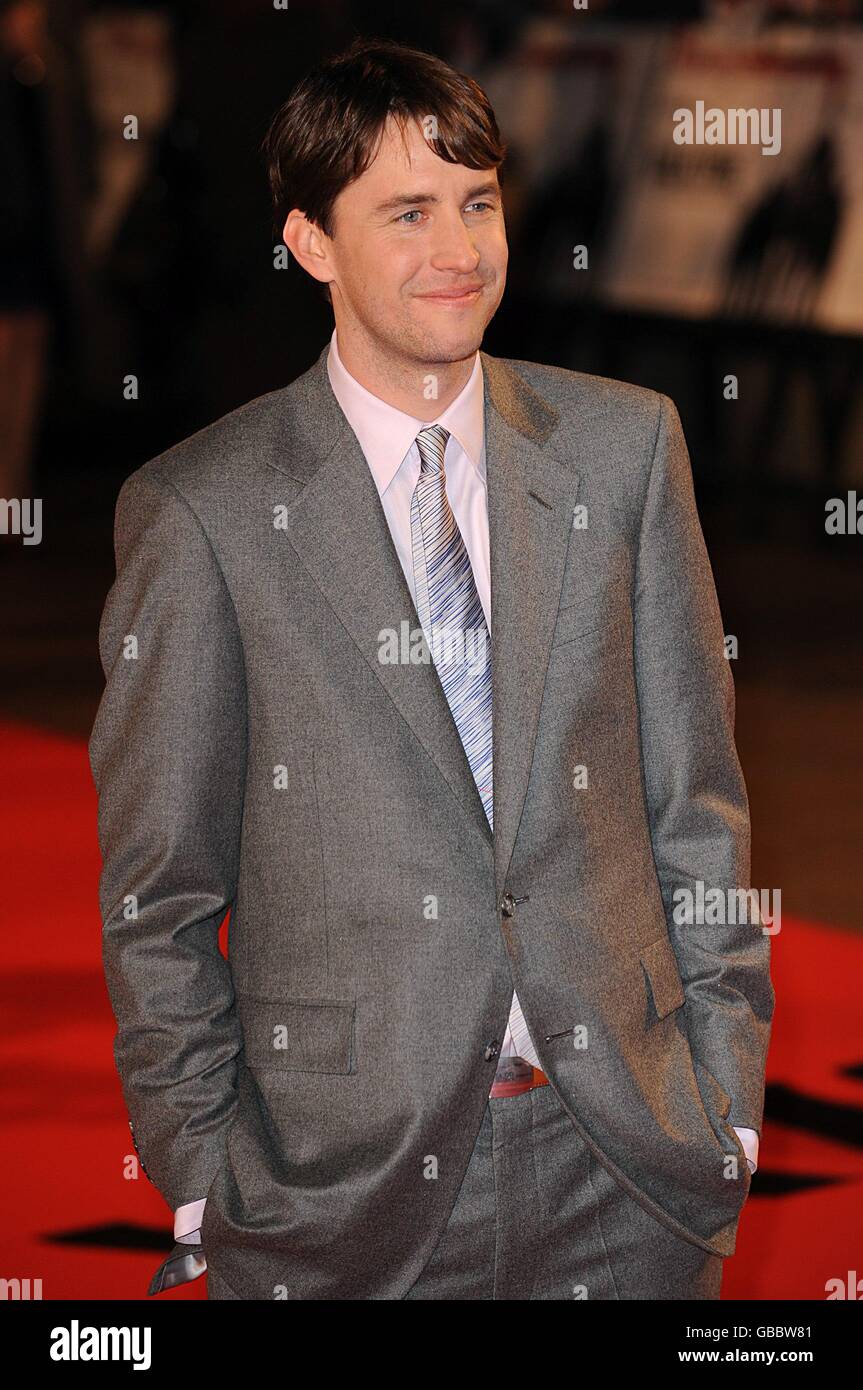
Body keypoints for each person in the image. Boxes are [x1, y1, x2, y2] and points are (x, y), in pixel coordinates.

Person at [89, 36, 774, 1301]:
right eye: (407, 213)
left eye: (475, 201)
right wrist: (200, 1175)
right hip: (340, 1195)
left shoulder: (623, 451)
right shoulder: (206, 512)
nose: (458, 250)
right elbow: (158, 894)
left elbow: (697, 799)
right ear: (309, 242)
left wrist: (722, 1097)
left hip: (622, 1167)